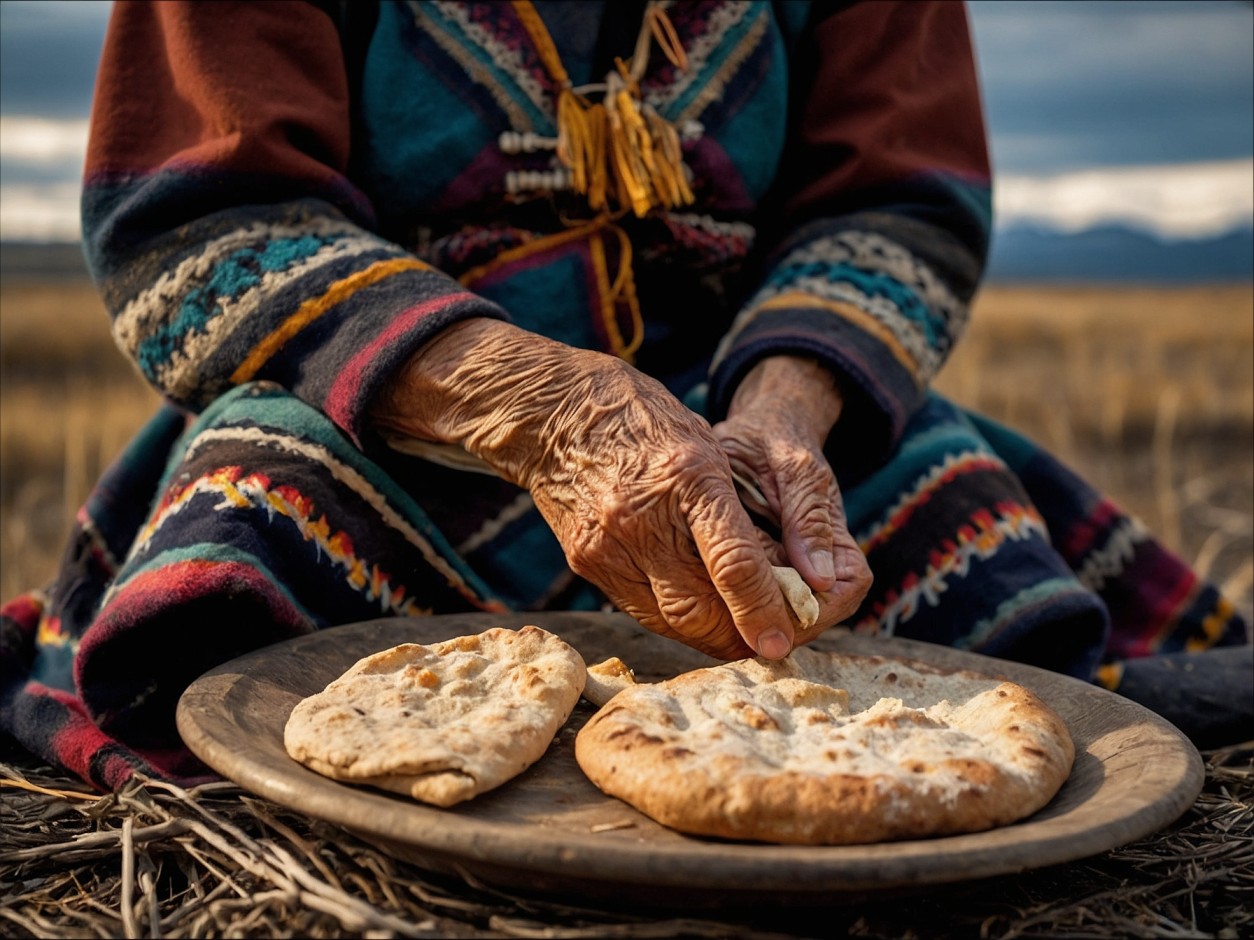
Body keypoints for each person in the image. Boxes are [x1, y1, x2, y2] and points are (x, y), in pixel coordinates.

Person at [1, 0, 1249, 791]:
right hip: (378, 407)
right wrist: (556, 411)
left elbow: (896, 202)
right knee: (252, 523)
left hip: (743, 405)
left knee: (948, 511)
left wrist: (784, 410)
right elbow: (200, 215)